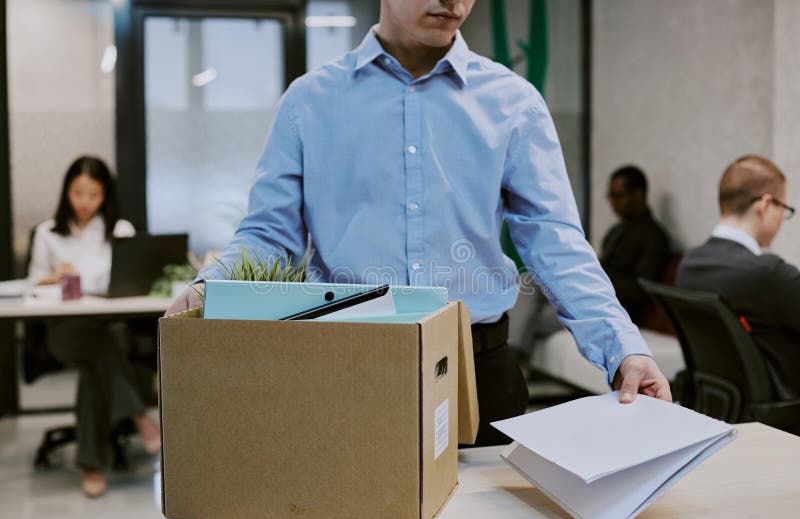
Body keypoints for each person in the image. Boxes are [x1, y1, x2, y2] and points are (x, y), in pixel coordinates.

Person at [168, 0, 672, 445]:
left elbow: (555, 241)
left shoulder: (513, 102)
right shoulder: (310, 102)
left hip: (478, 373)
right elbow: (269, 235)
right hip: (345, 368)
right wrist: (209, 287)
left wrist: (622, 349)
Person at [27, 155, 161, 497]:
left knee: (95, 363)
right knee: (95, 345)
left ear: (106, 196)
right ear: (66, 192)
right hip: (65, 331)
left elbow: (131, 281)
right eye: (77, 193)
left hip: (111, 326)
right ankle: (139, 418)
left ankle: (91, 464)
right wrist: (51, 279)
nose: (84, 203)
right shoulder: (47, 233)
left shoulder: (120, 231)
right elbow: (31, 286)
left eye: (94, 195)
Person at [677, 155, 800, 397]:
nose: (781, 220)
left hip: (720, 406)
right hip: (782, 417)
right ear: (765, 204)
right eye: (783, 208)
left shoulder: (689, 264)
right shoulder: (768, 274)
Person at [600, 165, 671, 325]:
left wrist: (600, 281)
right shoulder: (616, 230)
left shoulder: (654, 236)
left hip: (617, 310)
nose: (612, 202)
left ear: (639, 194)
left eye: (618, 195)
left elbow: (642, 289)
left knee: (538, 310)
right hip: (597, 301)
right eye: (610, 196)